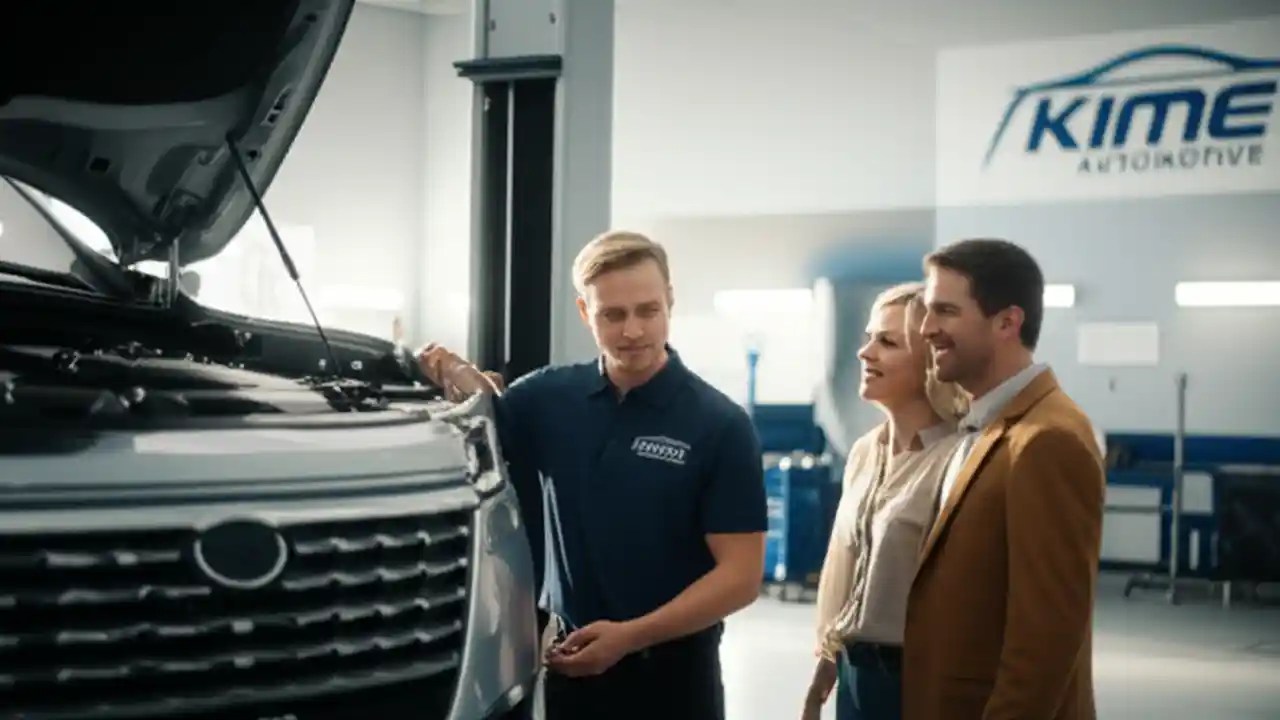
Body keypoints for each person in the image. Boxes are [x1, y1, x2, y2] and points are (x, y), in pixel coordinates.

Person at [417, 230, 767, 720]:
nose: (633, 331)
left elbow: (740, 577)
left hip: (673, 677)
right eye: (613, 314)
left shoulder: (719, 424)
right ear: (585, 312)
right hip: (575, 667)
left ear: (670, 301)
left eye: (648, 310)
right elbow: (489, 418)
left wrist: (630, 636)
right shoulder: (546, 398)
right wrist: (457, 374)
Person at [905, 238, 1105, 720]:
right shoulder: (985, 426)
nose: (926, 330)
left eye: (945, 312)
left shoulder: (1046, 440)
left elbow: (1046, 640)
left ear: (1007, 323)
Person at [802, 282, 968, 720]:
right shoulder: (864, 451)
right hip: (855, 672)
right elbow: (847, 569)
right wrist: (825, 663)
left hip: (920, 679)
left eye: (888, 342)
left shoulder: (961, 458)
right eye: (869, 338)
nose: (865, 353)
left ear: (932, 363)